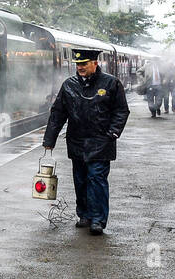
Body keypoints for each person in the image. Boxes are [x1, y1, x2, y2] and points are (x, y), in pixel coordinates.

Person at [42, 48, 130, 235]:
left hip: (101, 141)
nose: (80, 67)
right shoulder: (69, 85)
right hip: (77, 141)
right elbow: (58, 113)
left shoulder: (111, 83)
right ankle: (84, 215)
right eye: (78, 64)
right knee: (80, 180)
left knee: (96, 179)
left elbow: (121, 110)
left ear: (95, 63)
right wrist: (49, 139)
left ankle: (98, 219)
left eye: (84, 64)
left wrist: (113, 133)